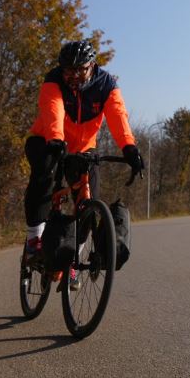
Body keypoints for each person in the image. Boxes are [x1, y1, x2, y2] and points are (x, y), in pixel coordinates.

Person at [22, 40, 145, 261]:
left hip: (83, 148)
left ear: (92, 65)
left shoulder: (106, 84)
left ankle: (74, 257)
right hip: (46, 139)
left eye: (80, 70)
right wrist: (55, 139)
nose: (74, 77)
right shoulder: (54, 80)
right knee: (44, 172)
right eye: (69, 71)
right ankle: (35, 238)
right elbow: (53, 110)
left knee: (89, 202)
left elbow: (118, 116)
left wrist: (129, 148)